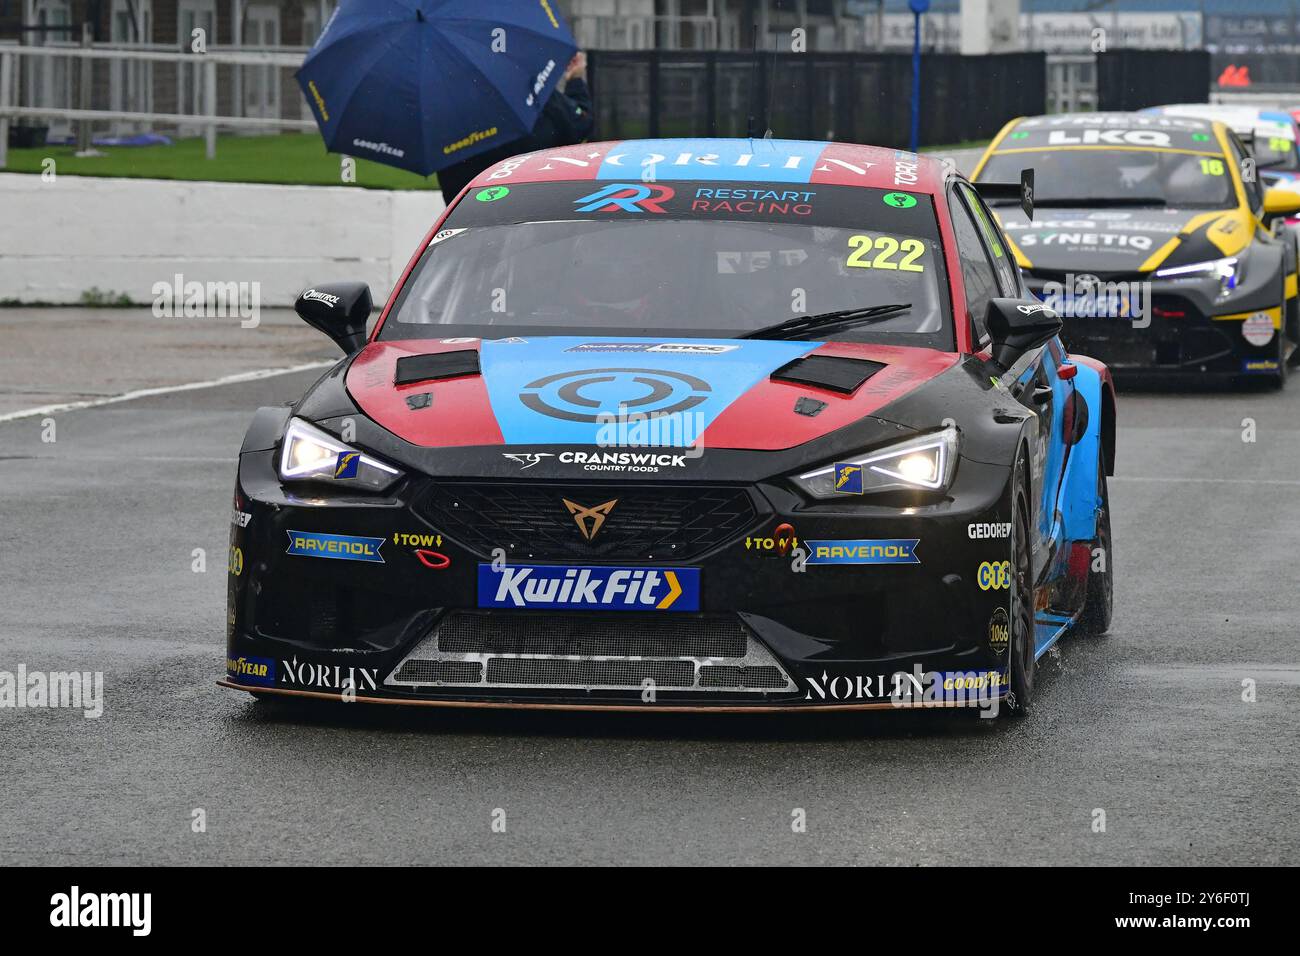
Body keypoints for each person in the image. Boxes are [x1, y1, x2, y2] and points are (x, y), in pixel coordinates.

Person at [437, 52, 594, 205]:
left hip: (472, 216)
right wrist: (576, 80)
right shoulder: (527, 90)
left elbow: (452, 190)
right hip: (536, 208)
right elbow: (579, 124)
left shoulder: (445, 113)